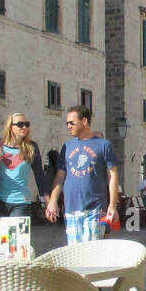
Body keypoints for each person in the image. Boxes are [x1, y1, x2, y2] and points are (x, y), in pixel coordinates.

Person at [45, 105, 119, 245]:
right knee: (75, 256)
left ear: (84, 121)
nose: (68, 126)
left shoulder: (104, 145)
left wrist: (112, 205)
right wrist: (53, 200)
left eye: (71, 123)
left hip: (95, 210)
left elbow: (113, 176)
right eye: (67, 123)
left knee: (93, 254)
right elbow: (60, 176)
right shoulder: (67, 147)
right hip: (71, 210)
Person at [0, 113, 48, 235]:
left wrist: (49, 202)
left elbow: (40, 176)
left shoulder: (31, 147)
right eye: (20, 124)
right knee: (1, 246)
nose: (24, 127)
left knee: (18, 246)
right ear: (10, 127)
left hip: (20, 202)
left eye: (27, 124)